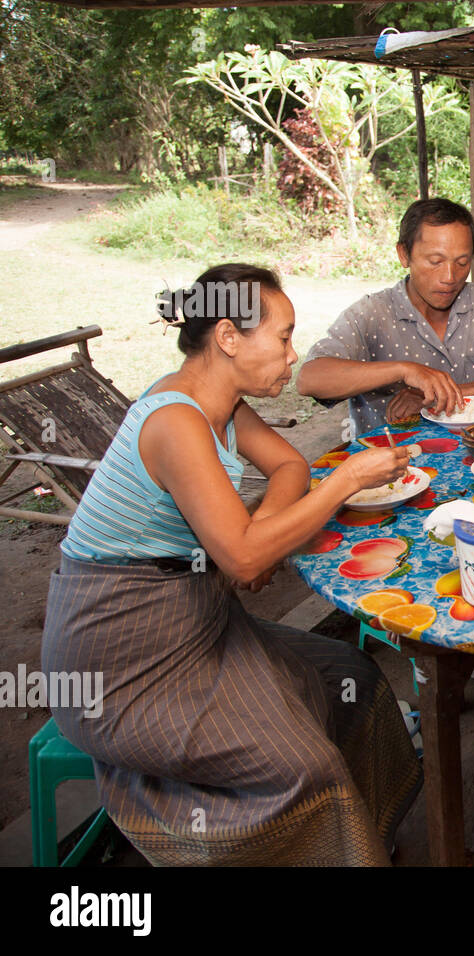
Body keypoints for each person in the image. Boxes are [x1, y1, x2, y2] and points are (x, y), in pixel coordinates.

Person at [42, 264, 424, 865]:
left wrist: (264, 532)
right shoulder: (175, 419)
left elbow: (290, 469)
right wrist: (344, 481)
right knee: (304, 766)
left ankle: (365, 842)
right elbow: (245, 556)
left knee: (353, 679)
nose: (292, 356)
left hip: (195, 621)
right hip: (122, 657)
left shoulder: (221, 403)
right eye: (283, 337)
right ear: (228, 337)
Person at [297, 198, 474, 434]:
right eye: (435, 261)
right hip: (397, 465)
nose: (449, 276)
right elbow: (310, 379)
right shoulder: (373, 313)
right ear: (404, 254)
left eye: (462, 263)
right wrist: (404, 371)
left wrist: (431, 395)